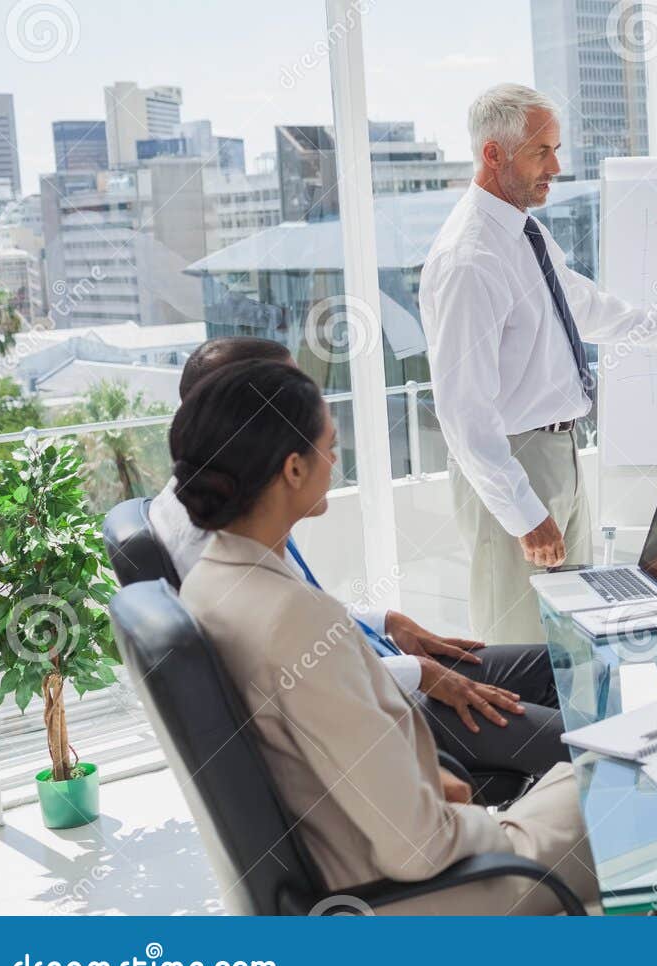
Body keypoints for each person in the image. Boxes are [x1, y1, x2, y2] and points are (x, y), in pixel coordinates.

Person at [173, 360, 596, 913]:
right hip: (425, 892)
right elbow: (421, 849)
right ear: (294, 469)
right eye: (330, 445)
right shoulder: (296, 619)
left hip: (350, 866)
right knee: (625, 774)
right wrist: (463, 811)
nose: (336, 459)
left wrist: (427, 785)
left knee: (592, 761)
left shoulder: (208, 584)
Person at [151, 336, 568, 783]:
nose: (331, 455)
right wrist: (420, 672)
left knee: (563, 667)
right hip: (377, 705)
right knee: (583, 751)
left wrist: (388, 621)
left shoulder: (223, 509)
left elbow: (302, 631)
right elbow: (307, 677)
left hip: (373, 665)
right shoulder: (217, 547)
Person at [423, 83, 657, 645]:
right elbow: (463, 412)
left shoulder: (523, 233)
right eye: (542, 152)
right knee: (522, 646)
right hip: (515, 465)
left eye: (556, 150)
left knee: (578, 637)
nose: (556, 167)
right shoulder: (470, 259)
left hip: (561, 455)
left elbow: (582, 306)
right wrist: (523, 514)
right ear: (493, 154)